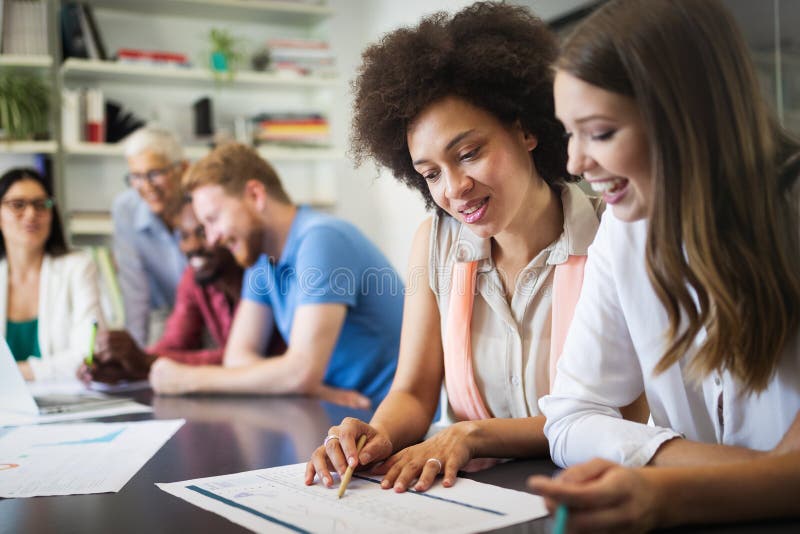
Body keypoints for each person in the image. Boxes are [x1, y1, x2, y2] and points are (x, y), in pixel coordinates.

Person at [306, 1, 646, 494]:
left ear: (526, 129)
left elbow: (622, 415)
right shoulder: (436, 241)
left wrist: (471, 436)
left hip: (584, 496)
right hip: (471, 499)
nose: (454, 188)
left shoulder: (610, 235)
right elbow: (413, 390)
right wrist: (377, 435)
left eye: (469, 153)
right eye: (430, 174)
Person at [527, 0, 800, 530]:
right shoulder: (625, 229)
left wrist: (667, 491)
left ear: (689, 120)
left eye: (601, 133)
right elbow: (570, 417)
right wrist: (711, 475)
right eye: (570, 133)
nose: (575, 164)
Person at [155, 141, 403, 409]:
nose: (212, 239)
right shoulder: (261, 259)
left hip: (397, 423)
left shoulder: (322, 239)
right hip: (346, 414)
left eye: (213, 219)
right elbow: (238, 357)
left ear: (255, 195)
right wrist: (315, 389)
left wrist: (187, 379)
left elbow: (299, 371)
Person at [81, 197, 246, 385]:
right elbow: (174, 344)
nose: (191, 246)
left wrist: (146, 362)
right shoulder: (194, 277)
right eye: (183, 236)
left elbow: (246, 358)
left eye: (202, 233)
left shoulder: (261, 275)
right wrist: (124, 365)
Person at [0, 168, 104, 380]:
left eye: (41, 205)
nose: (31, 214)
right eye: (17, 205)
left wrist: (16, 373)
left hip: (65, 404)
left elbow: (89, 355)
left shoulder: (78, 268)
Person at [112, 126, 188, 347]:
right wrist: (134, 355)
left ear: (182, 169)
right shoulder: (125, 209)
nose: (146, 186)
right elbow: (135, 290)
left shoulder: (201, 202)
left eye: (155, 174)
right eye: (136, 176)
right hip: (164, 317)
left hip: (212, 312)